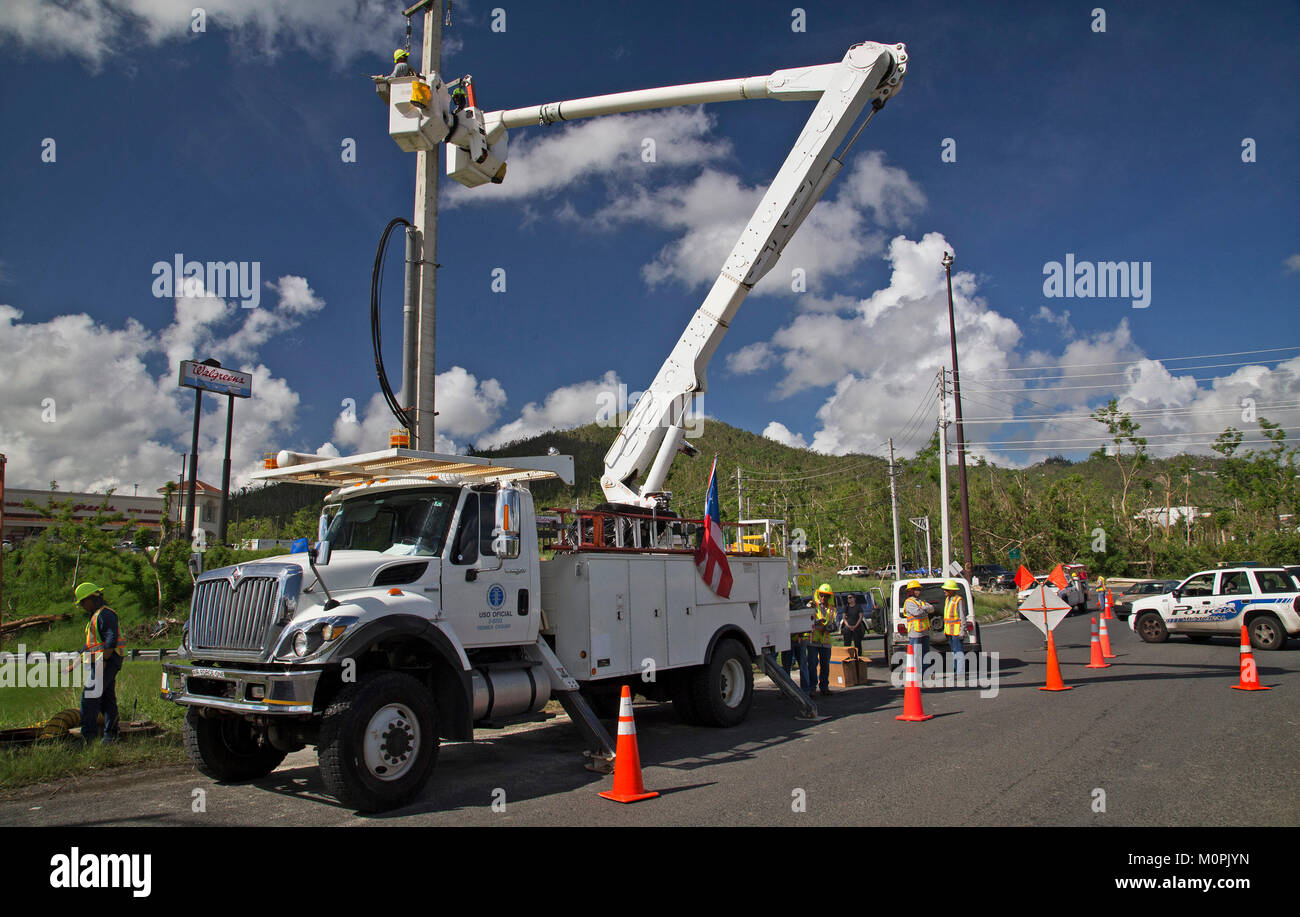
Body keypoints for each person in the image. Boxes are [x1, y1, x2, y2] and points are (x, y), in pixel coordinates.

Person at [74, 582, 123, 744]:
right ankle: (111, 736)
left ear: (92, 598)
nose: (82, 606)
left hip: (107, 661)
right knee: (107, 700)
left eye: (82, 602)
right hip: (104, 661)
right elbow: (88, 646)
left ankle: (88, 737)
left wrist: (105, 661)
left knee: (89, 698)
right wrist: (74, 663)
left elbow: (111, 640)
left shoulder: (105, 614)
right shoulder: (95, 616)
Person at [806, 584, 836, 697]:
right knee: (812, 665)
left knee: (825, 666)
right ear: (819, 595)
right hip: (813, 641)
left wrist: (827, 627)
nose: (823, 598)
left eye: (826, 596)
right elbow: (806, 615)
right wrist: (817, 623)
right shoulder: (813, 605)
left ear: (829, 597)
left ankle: (824, 687)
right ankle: (812, 688)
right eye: (821, 595)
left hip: (826, 643)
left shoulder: (832, 609)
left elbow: (835, 625)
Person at [941, 579, 973, 681]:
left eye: (946, 589)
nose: (944, 591)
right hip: (949, 631)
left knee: (958, 652)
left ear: (952, 590)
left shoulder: (958, 600)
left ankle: (960, 673)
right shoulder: (948, 599)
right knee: (954, 652)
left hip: (956, 631)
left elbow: (962, 616)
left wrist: (962, 630)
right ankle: (957, 671)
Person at [901, 579, 933, 676]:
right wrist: (924, 609)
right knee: (914, 655)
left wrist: (923, 609)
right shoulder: (909, 602)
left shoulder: (921, 601)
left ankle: (925, 673)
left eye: (919, 589)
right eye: (916, 589)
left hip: (924, 631)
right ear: (911, 591)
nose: (918, 591)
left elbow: (931, 608)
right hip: (915, 633)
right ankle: (914, 674)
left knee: (926, 654)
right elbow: (917, 612)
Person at [840, 592, 867, 657]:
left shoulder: (858, 607)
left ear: (854, 599)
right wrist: (848, 626)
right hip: (848, 626)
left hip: (856, 626)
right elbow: (843, 617)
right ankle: (847, 656)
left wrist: (855, 626)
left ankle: (858, 656)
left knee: (857, 643)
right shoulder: (846, 607)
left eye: (850, 598)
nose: (848, 599)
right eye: (848, 598)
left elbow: (861, 617)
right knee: (847, 643)